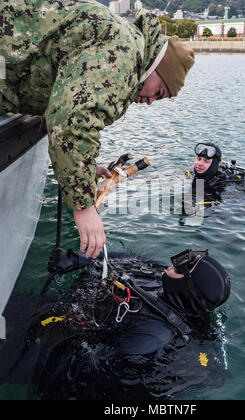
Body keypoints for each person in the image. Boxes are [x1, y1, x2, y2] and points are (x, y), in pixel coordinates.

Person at [0, 1, 195, 259]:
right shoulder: (125, 55)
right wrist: (83, 208)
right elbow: (71, 121)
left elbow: (71, 98)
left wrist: (86, 168)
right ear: (156, 65)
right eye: (158, 93)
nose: (149, 102)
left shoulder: (121, 41)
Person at [2, 247, 231, 400]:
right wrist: (83, 260)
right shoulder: (163, 278)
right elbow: (126, 260)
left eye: (184, 266)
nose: (176, 262)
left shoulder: (154, 336)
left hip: (62, 332)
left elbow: (95, 369)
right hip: (69, 308)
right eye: (186, 258)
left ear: (187, 290)